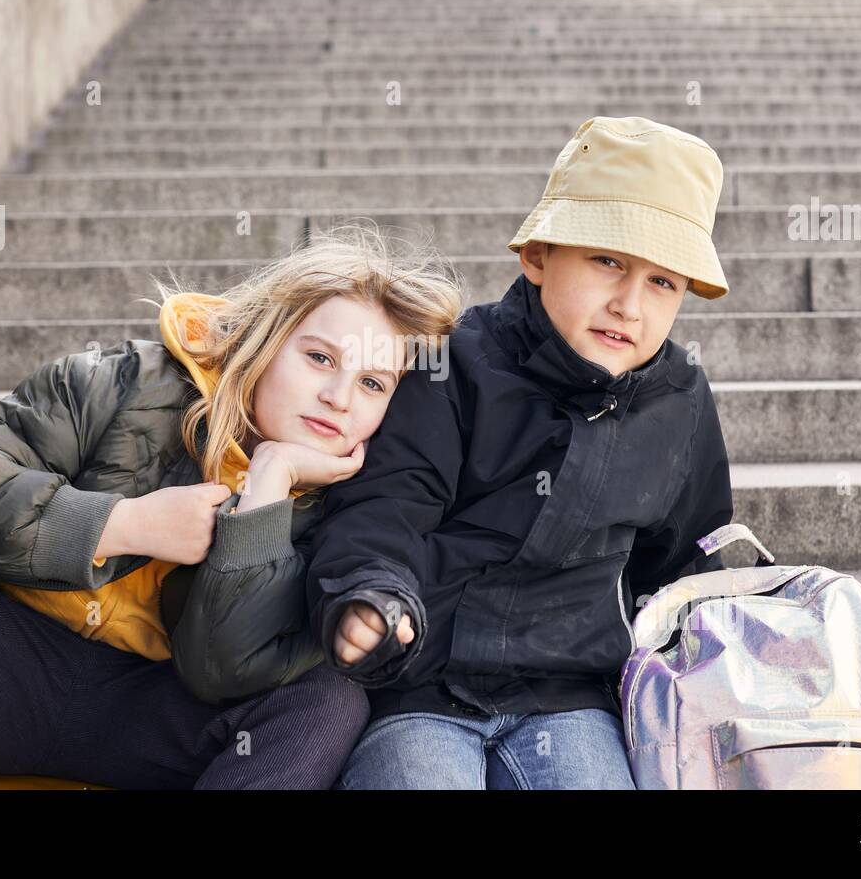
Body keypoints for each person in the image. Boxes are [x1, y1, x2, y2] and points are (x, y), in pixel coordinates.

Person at [0, 223, 464, 789]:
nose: (339, 396)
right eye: (320, 358)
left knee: (329, 699)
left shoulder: (357, 507)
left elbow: (223, 672)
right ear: (267, 339)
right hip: (9, 670)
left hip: (154, 719)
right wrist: (123, 525)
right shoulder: (124, 382)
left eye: (373, 383)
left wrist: (267, 488)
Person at [305, 117, 736, 789]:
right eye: (609, 262)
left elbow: (682, 559)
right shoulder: (458, 364)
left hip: (568, 697)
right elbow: (385, 506)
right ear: (537, 255)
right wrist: (370, 595)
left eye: (663, 283)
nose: (628, 304)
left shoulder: (678, 400)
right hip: (423, 684)